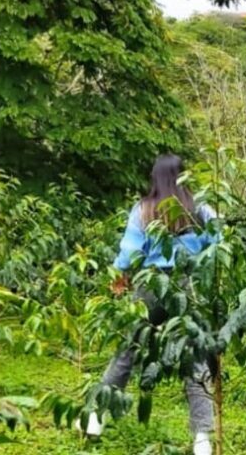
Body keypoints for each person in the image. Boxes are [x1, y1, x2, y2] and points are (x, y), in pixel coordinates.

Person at [77, 154, 219, 455]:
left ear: (154, 178)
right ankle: (203, 439)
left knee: (127, 352)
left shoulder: (143, 210)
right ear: (184, 177)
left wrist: (119, 277)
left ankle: (94, 418)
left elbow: (128, 255)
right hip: (187, 288)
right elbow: (216, 248)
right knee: (195, 359)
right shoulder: (201, 209)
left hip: (149, 287)